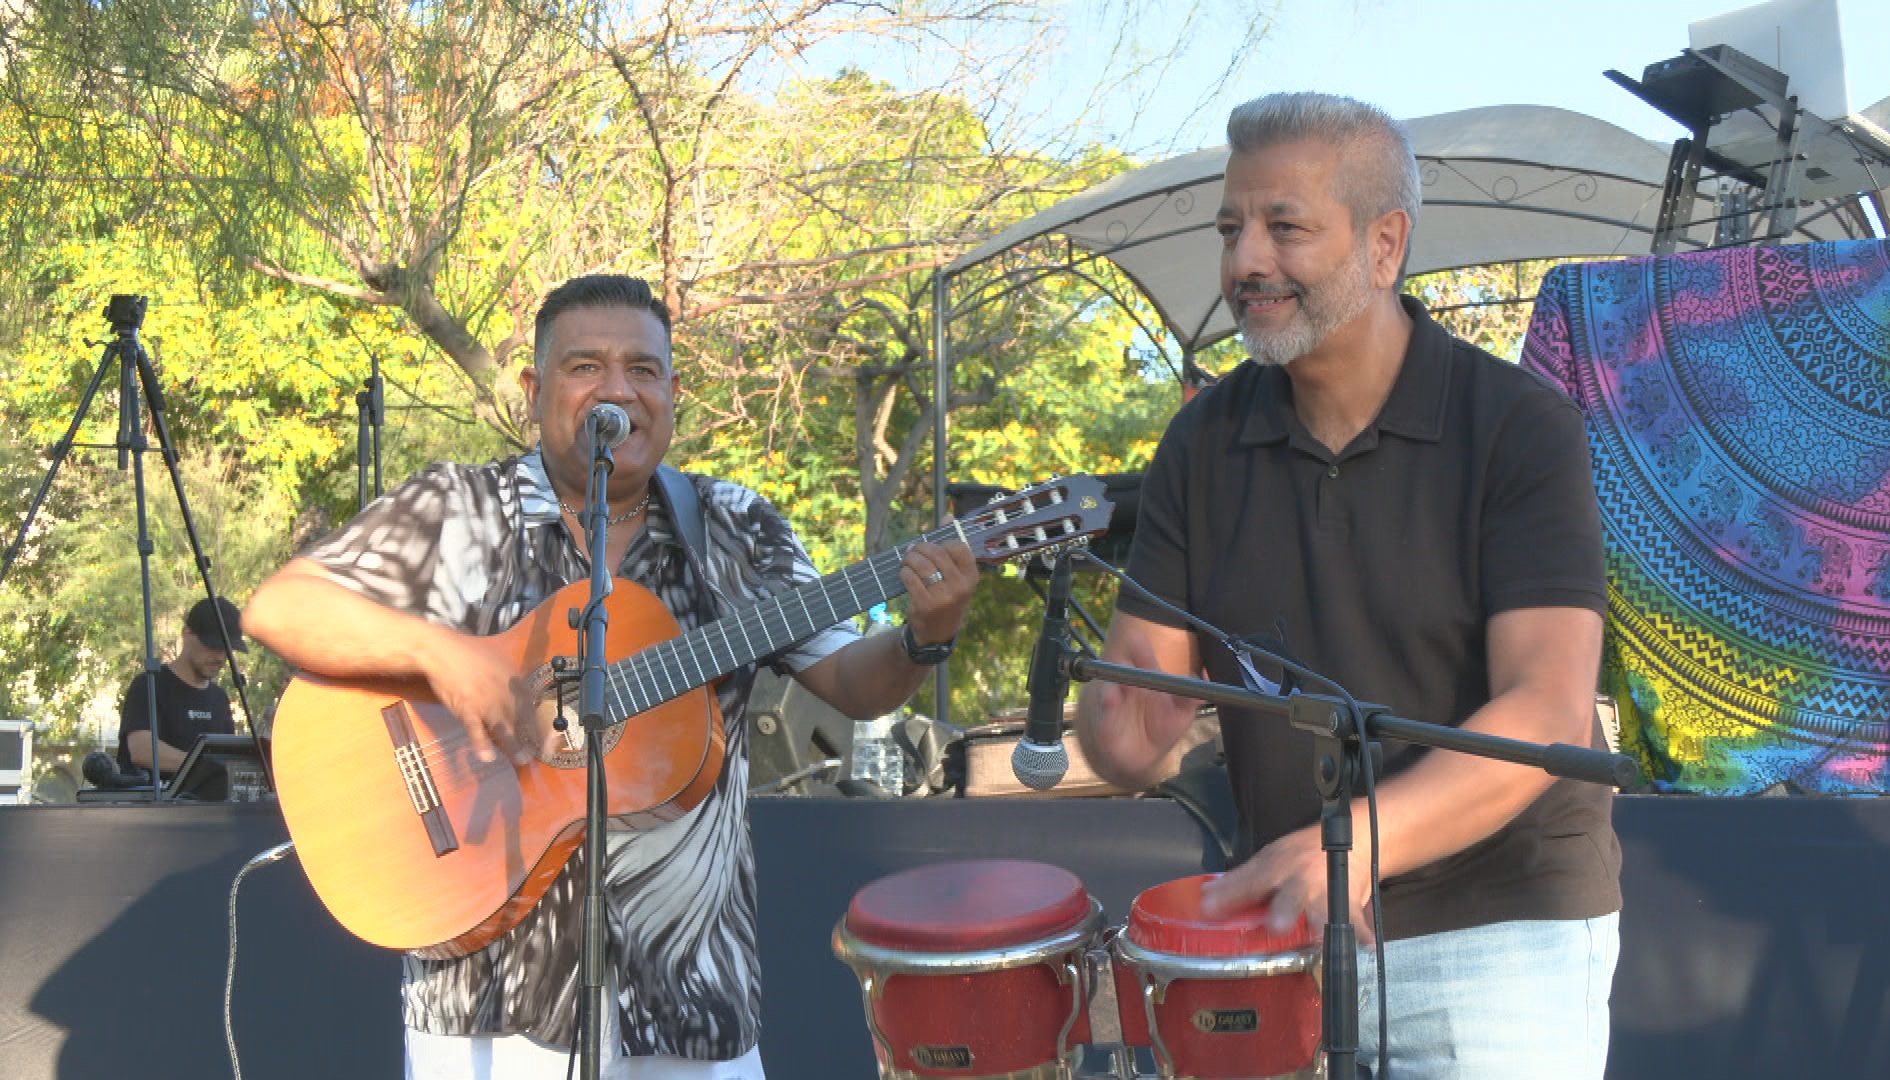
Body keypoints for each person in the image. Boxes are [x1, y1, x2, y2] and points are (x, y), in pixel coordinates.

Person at [241, 274, 980, 1080]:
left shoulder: (733, 526)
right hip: (486, 1006)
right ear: (533, 392)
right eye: (585, 366)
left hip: (693, 1004)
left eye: (644, 369)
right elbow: (281, 608)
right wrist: (442, 655)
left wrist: (925, 635)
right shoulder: (457, 508)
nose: (618, 389)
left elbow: (852, 681)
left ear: (670, 392)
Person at [1076, 92, 1621, 1080]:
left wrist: (1356, 844)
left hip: (1497, 939)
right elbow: (1132, 708)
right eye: (1232, 229)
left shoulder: (1518, 427)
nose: (1246, 261)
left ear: (1384, 247)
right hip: (1280, 939)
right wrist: (1121, 726)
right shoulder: (1203, 441)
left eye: (1285, 228)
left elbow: (1547, 712)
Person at [116, 595, 245, 779]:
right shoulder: (149, 684)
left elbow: (229, 758)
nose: (219, 656)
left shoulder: (219, 698)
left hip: (210, 805)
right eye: (212, 646)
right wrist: (203, 766)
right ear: (187, 634)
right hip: (156, 805)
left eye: (226, 649)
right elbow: (141, 750)